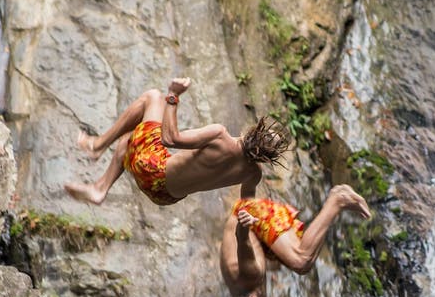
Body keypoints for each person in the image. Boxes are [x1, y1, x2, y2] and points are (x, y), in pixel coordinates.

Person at [64, 77, 291, 206]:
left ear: (255, 128)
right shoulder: (253, 174)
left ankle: (97, 146)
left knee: (152, 97)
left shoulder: (220, 136)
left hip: (154, 170)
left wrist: (173, 96)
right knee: (130, 141)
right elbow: (247, 207)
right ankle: (99, 189)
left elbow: (170, 138)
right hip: (165, 197)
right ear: (266, 157)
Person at [220, 185, 371, 297]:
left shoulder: (250, 275)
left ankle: (338, 198)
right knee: (300, 260)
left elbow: (242, 242)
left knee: (301, 261)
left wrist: (245, 224)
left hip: (247, 216)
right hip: (255, 232)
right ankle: (336, 203)